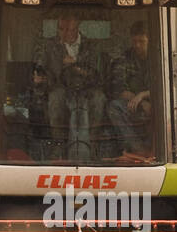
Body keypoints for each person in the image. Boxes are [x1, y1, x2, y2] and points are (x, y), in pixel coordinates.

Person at [32, 15, 106, 160]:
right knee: (55, 98)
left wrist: (76, 66)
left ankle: (93, 144)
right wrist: (39, 79)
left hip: (87, 89)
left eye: (68, 30)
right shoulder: (50, 47)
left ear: (77, 28)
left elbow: (99, 76)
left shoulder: (91, 46)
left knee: (99, 98)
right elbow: (44, 72)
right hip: (61, 88)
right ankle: (59, 144)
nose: (64, 33)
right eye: (61, 29)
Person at [106, 20, 156, 157]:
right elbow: (118, 89)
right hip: (133, 106)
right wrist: (141, 101)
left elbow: (164, 87)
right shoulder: (124, 59)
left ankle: (157, 151)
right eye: (134, 41)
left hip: (156, 104)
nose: (137, 45)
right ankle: (137, 149)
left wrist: (143, 95)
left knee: (164, 109)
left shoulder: (159, 58)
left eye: (141, 41)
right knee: (114, 107)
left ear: (150, 40)